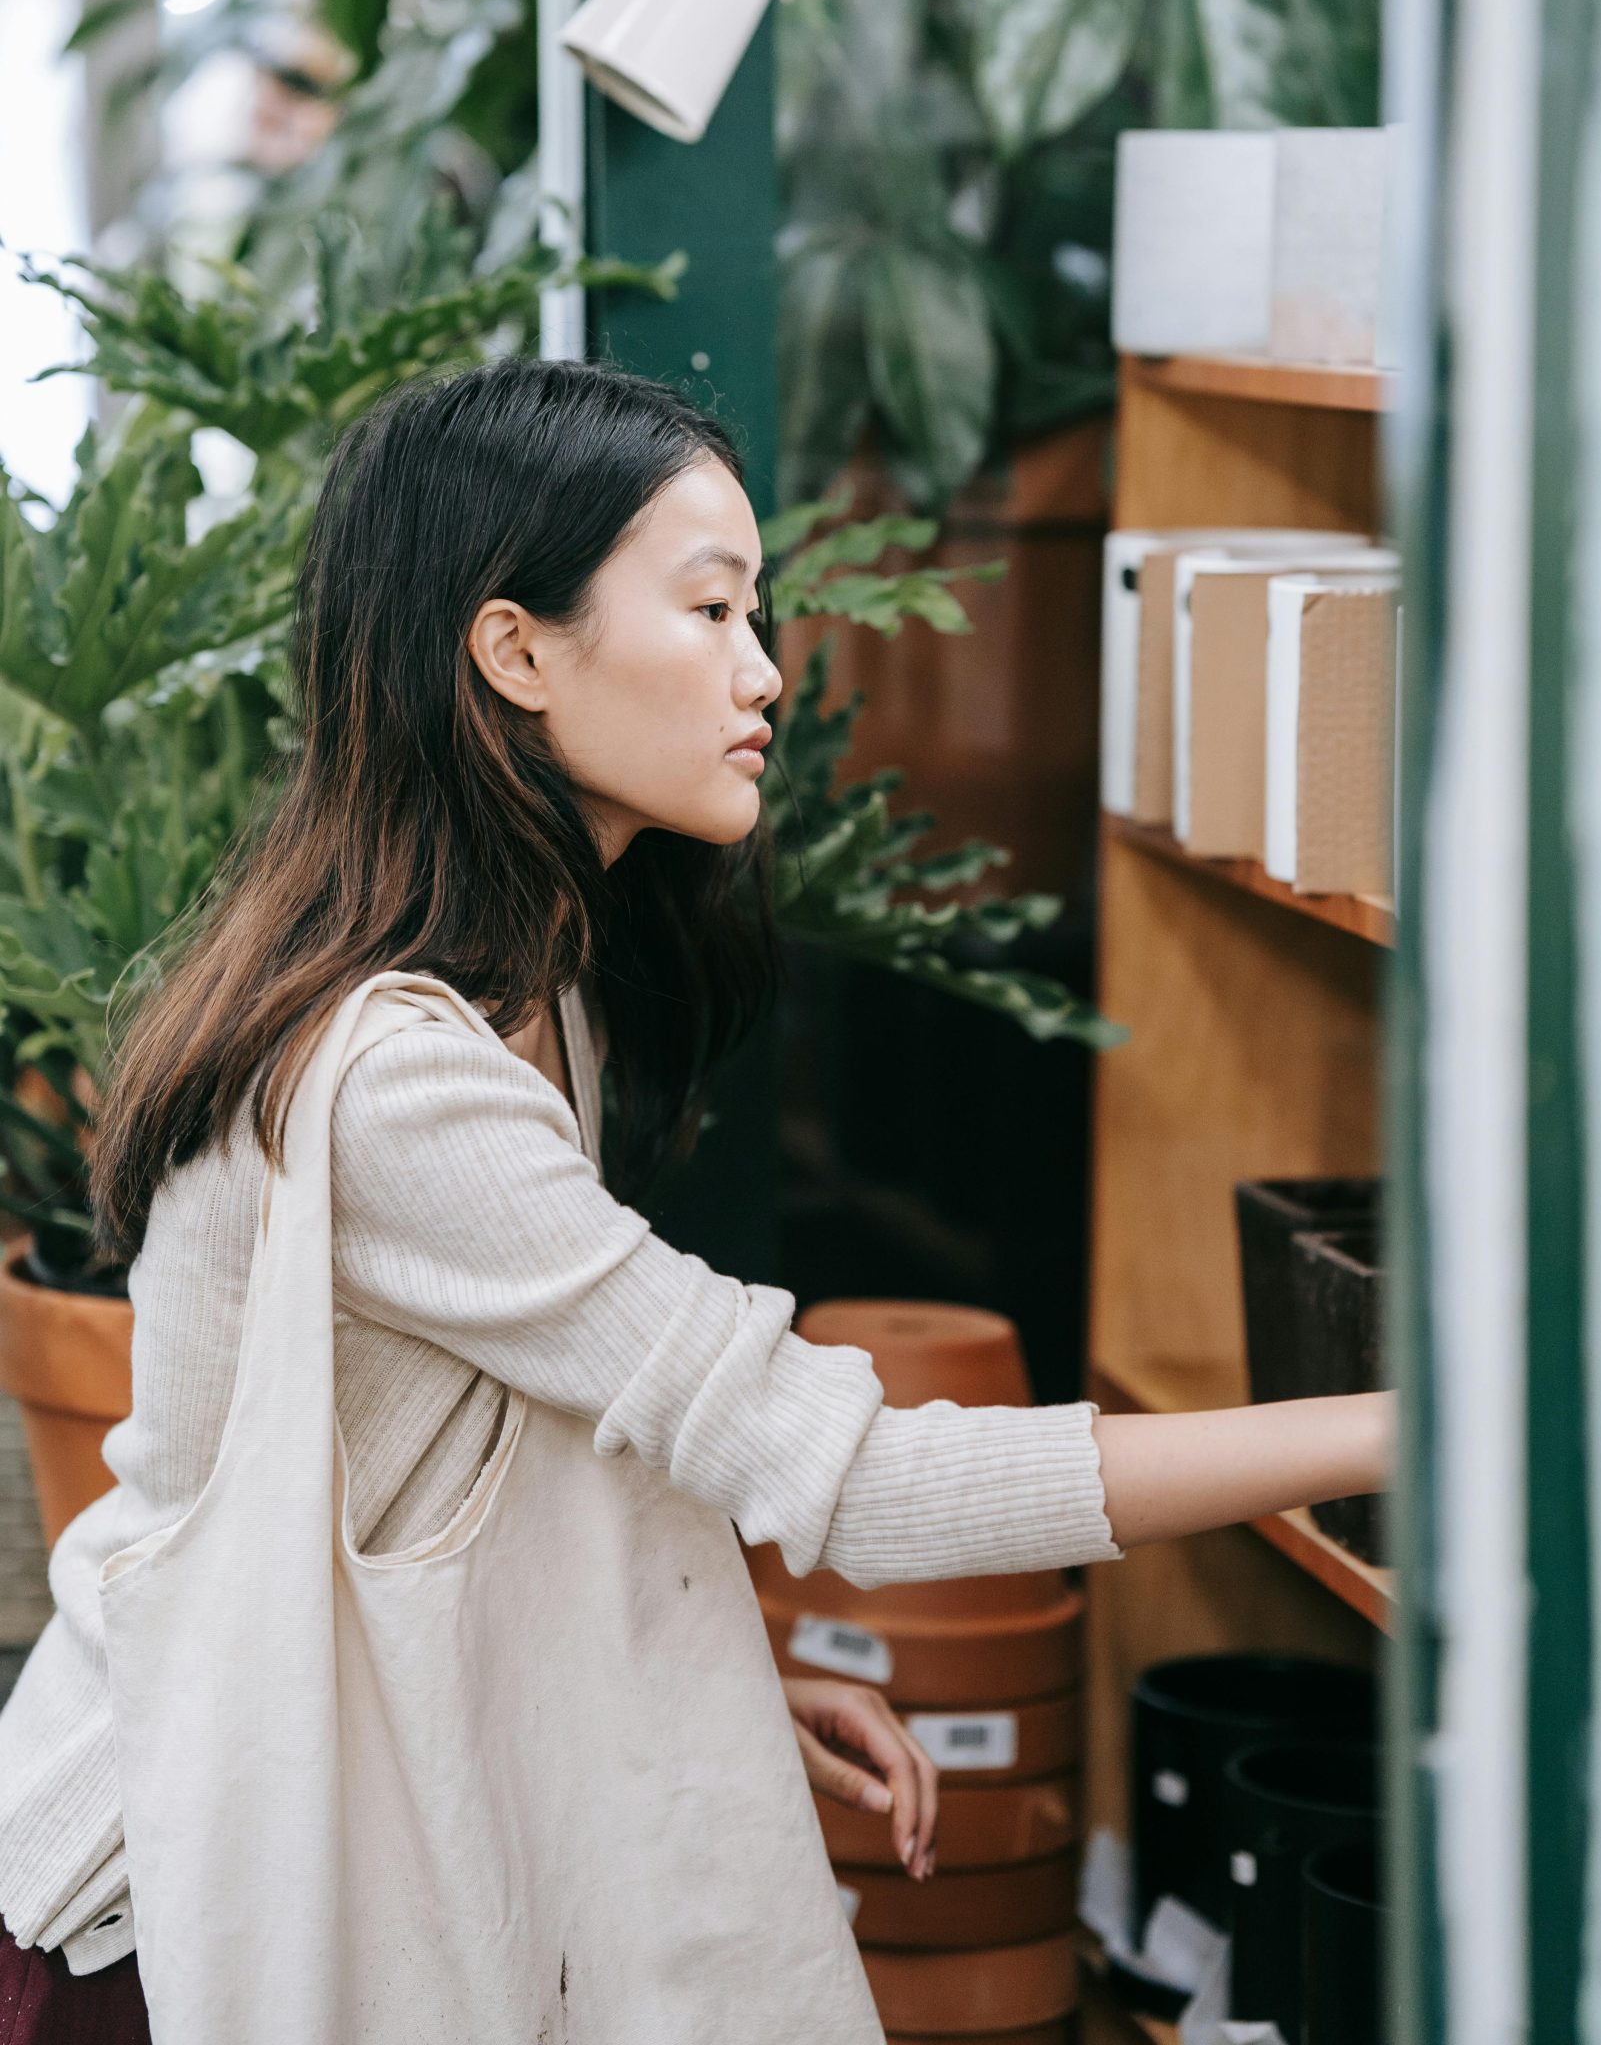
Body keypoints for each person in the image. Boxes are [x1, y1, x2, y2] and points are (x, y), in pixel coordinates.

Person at [0, 358, 1392, 2045]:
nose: (765, 673)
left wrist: (737, 1682)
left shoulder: (531, 991)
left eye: (760, 613)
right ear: (514, 652)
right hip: (169, 1908)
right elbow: (860, 1482)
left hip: (277, 1823)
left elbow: (470, 1469)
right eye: (713, 609)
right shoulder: (397, 1081)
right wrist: (1415, 1431)